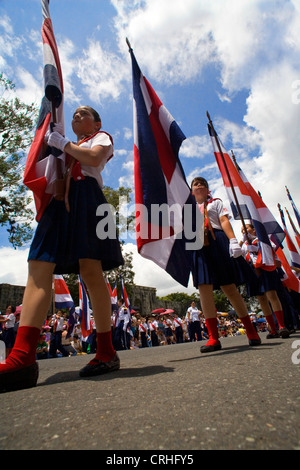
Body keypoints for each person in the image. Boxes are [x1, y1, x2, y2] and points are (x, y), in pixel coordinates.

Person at [0, 106, 124, 392]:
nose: (77, 117)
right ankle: (23, 357)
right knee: (38, 264)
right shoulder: (66, 147)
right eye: (74, 114)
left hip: (89, 198)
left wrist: (63, 144)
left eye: (84, 114)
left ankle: (107, 351)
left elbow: (93, 157)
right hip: (63, 203)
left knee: (91, 270)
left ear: (97, 122)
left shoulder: (101, 137)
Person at [191, 177, 261, 353]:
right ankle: (213, 337)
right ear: (191, 190)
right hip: (198, 246)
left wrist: (233, 240)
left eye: (202, 184)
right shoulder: (187, 209)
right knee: (203, 288)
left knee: (229, 288)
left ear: (207, 190)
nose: (199, 186)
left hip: (217, 242)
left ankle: (251, 330)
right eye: (195, 184)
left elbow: (223, 221)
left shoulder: (215, 203)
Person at [240, 223, 290, 338]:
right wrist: (242, 241)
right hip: (252, 271)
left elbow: (271, 251)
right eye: (242, 230)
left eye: (246, 228)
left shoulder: (262, 239)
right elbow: (236, 253)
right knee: (261, 299)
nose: (244, 231)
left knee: (271, 295)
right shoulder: (244, 244)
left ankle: (282, 326)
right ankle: (272, 329)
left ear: (253, 229)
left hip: (264, 268)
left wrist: (257, 249)